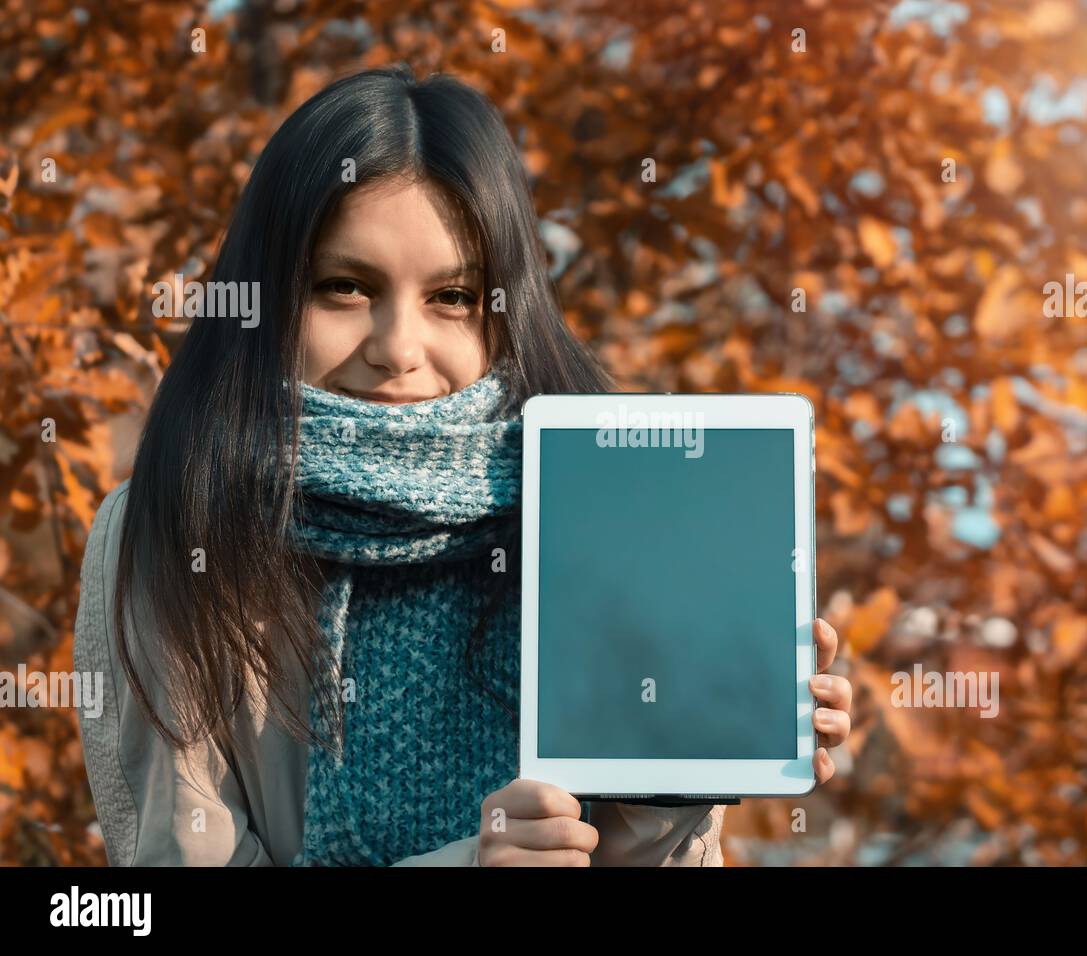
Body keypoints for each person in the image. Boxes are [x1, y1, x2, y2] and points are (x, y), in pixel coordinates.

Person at [72, 65, 853, 866]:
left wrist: (676, 773)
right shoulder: (176, 525)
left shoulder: (590, 508)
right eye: (344, 287)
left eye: (452, 297)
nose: (397, 349)